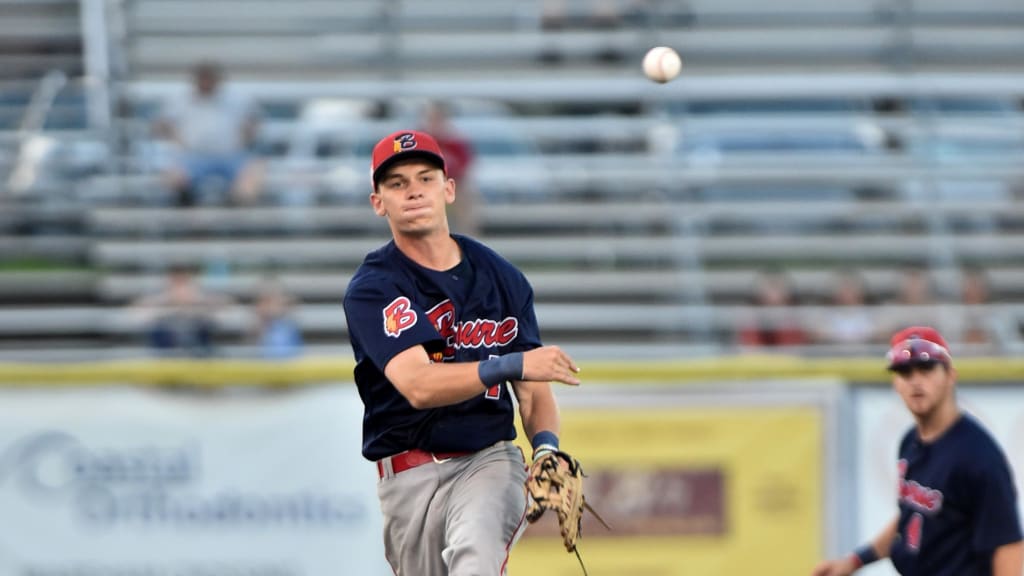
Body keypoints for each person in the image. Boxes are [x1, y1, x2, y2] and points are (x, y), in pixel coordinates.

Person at [342, 129, 582, 575]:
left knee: (474, 560)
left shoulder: (501, 277)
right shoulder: (375, 288)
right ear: (379, 203)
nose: (413, 190)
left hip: (487, 461)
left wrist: (546, 448)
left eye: (425, 178)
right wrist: (510, 363)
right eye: (396, 184)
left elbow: (531, 393)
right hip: (407, 478)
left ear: (448, 189)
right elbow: (418, 385)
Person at [810, 326, 1023, 576]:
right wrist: (855, 560)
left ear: (950, 375)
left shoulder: (978, 457)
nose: (915, 381)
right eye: (904, 372)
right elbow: (909, 518)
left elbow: (1008, 546)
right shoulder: (910, 441)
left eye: (926, 368)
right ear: (895, 383)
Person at [154, 61, 264, 206]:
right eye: (203, 79)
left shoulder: (238, 99)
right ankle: (185, 208)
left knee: (253, 174)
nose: (206, 83)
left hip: (230, 155)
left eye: (210, 78)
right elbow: (160, 125)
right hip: (192, 156)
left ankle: (237, 212)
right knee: (173, 175)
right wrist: (176, 140)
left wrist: (243, 140)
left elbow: (253, 122)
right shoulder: (179, 99)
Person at [130, 264, 233, 357]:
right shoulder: (162, 298)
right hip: (164, 351)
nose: (180, 286)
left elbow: (226, 304)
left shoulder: (199, 298)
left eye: (184, 281)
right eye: (177, 281)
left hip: (199, 352)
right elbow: (137, 309)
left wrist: (195, 302)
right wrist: (169, 302)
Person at [419, 101, 480, 236]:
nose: (435, 123)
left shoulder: (454, 142)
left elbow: (465, 166)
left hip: (450, 184)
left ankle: (468, 241)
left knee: (464, 195)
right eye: (432, 118)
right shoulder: (418, 141)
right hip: (424, 186)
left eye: (439, 119)